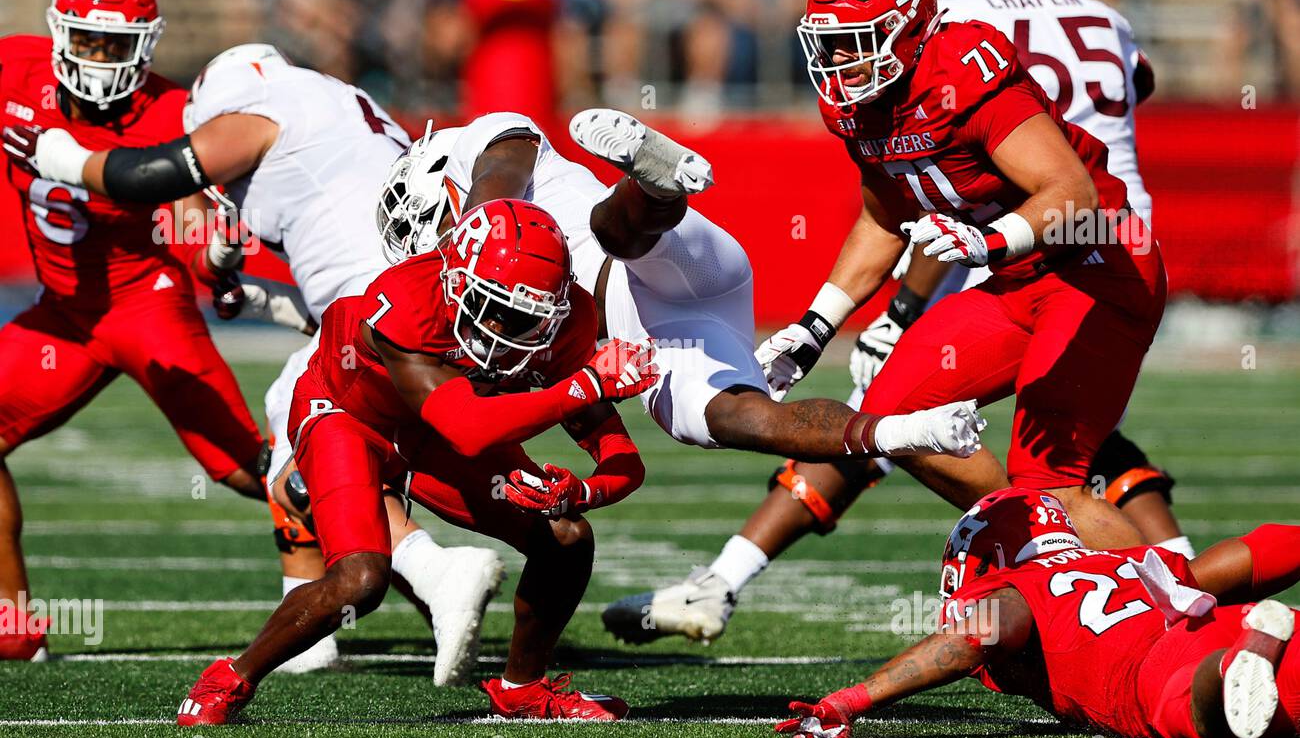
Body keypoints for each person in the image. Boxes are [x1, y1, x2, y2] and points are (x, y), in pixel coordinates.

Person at [604, 0, 1169, 645]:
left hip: (1096, 266)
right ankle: (1051, 549)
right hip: (1018, 272)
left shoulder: (961, 60)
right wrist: (817, 325)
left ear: (907, 27)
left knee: (1048, 477)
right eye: (829, 43)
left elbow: (1073, 190)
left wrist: (984, 243)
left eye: (856, 40)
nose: (837, 61)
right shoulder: (861, 103)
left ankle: (1162, 611)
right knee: (889, 416)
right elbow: (886, 213)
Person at [8, 42, 505, 682]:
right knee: (314, 437)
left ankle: (434, 571)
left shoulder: (250, 112)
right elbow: (318, 237)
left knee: (303, 429)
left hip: (369, 306)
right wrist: (251, 285)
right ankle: (317, 623)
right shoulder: (338, 102)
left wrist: (59, 156)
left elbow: (148, 178)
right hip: (412, 298)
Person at [177, 199, 658, 723]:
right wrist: (585, 384)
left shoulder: (566, 325)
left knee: (566, 537)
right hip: (349, 415)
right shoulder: (408, 300)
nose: (504, 325)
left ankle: (523, 687)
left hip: (433, 429)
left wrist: (579, 492)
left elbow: (623, 460)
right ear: (455, 277)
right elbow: (469, 430)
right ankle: (227, 680)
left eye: (525, 315)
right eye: (493, 303)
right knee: (360, 582)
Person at [378, 109, 988, 467]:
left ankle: (655, 186)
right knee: (736, 420)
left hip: (644, 260)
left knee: (609, 235)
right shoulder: (490, 298)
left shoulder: (482, 149)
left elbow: (501, 178)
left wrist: (479, 240)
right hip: (670, 316)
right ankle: (910, 433)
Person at [0, 0, 266, 660]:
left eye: (113, 45)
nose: (97, 58)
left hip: (144, 305)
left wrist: (217, 257)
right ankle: (14, 634)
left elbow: (192, 222)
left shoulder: (169, 112)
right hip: (61, 312)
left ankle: (404, 556)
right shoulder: (15, 72)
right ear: (59, 35)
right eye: (85, 40)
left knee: (246, 470)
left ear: (144, 46)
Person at [778, 487, 1300, 738]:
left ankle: (1238, 663)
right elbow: (1241, 558)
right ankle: (1256, 636)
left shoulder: (1016, 588)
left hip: (1157, 672)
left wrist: (849, 701)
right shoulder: (1121, 559)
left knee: (1213, 717)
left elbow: (983, 631)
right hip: (1220, 621)